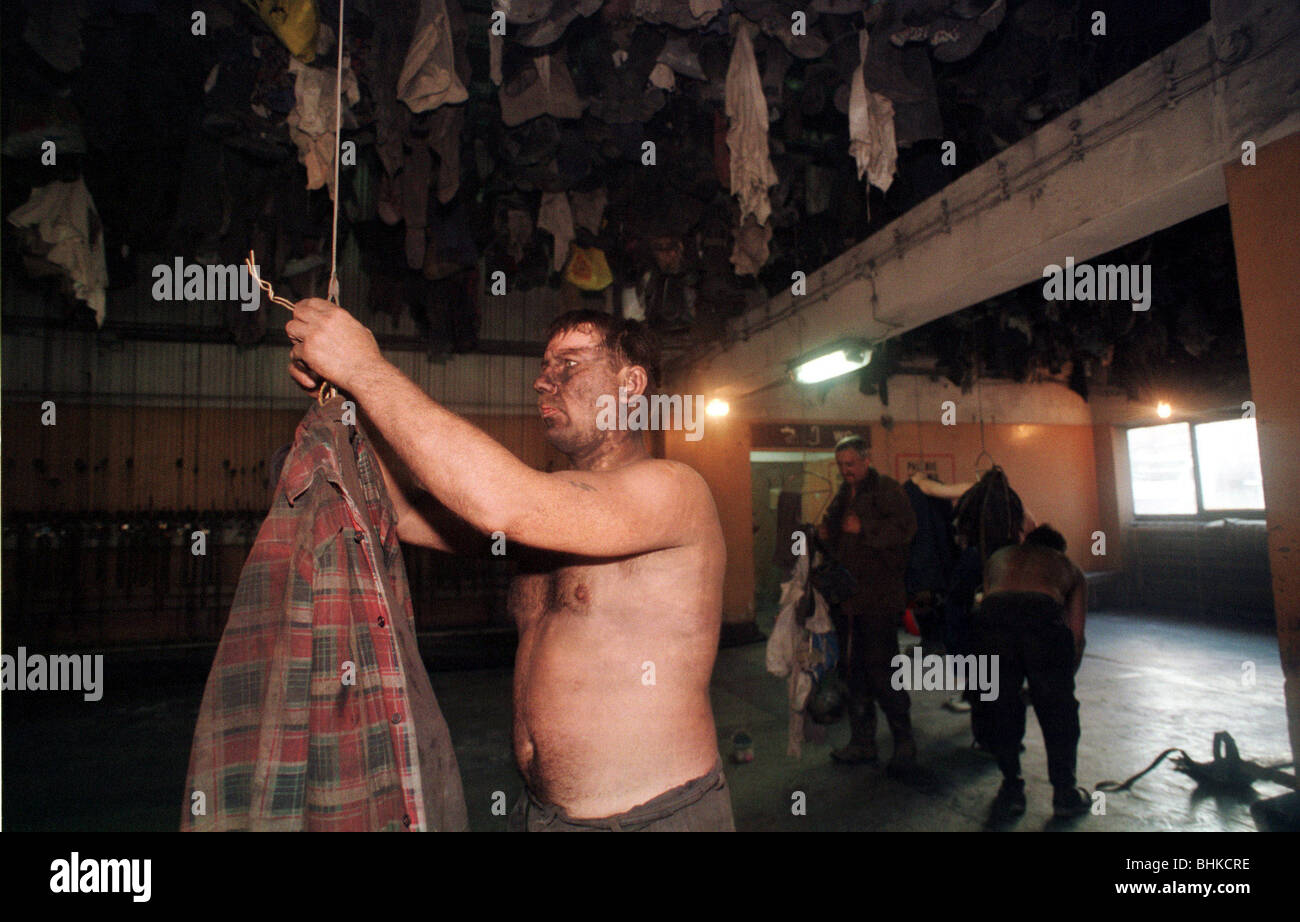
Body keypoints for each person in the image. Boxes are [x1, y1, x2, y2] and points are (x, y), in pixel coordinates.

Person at [285, 301, 735, 832]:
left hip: (655, 818)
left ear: (631, 384)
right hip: (541, 815)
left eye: (569, 364)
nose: (544, 382)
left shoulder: (675, 490)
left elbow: (504, 501)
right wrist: (342, 396)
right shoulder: (553, 517)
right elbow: (403, 515)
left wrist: (364, 367)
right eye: (544, 368)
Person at [969, 524, 1089, 820]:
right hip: (1042, 615)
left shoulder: (999, 557)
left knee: (1002, 707)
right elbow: (1076, 636)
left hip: (992, 618)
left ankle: (1011, 790)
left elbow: (987, 600)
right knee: (1059, 711)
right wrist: (1059, 683)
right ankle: (1065, 793)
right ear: (1057, 550)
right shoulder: (1068, 567)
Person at [817, 437, 918, 772]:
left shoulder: (887, 490)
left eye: (850, 464)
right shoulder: (844, 494)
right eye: (841, 465)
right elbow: (836, 532)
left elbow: (906, 530)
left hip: (879, 599)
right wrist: (824, 532)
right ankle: (863, 743)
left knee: (883, 671)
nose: (845, 471)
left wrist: (867, 528)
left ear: (866, 460)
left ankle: (904, 744)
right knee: (854, 672)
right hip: (849, 602)